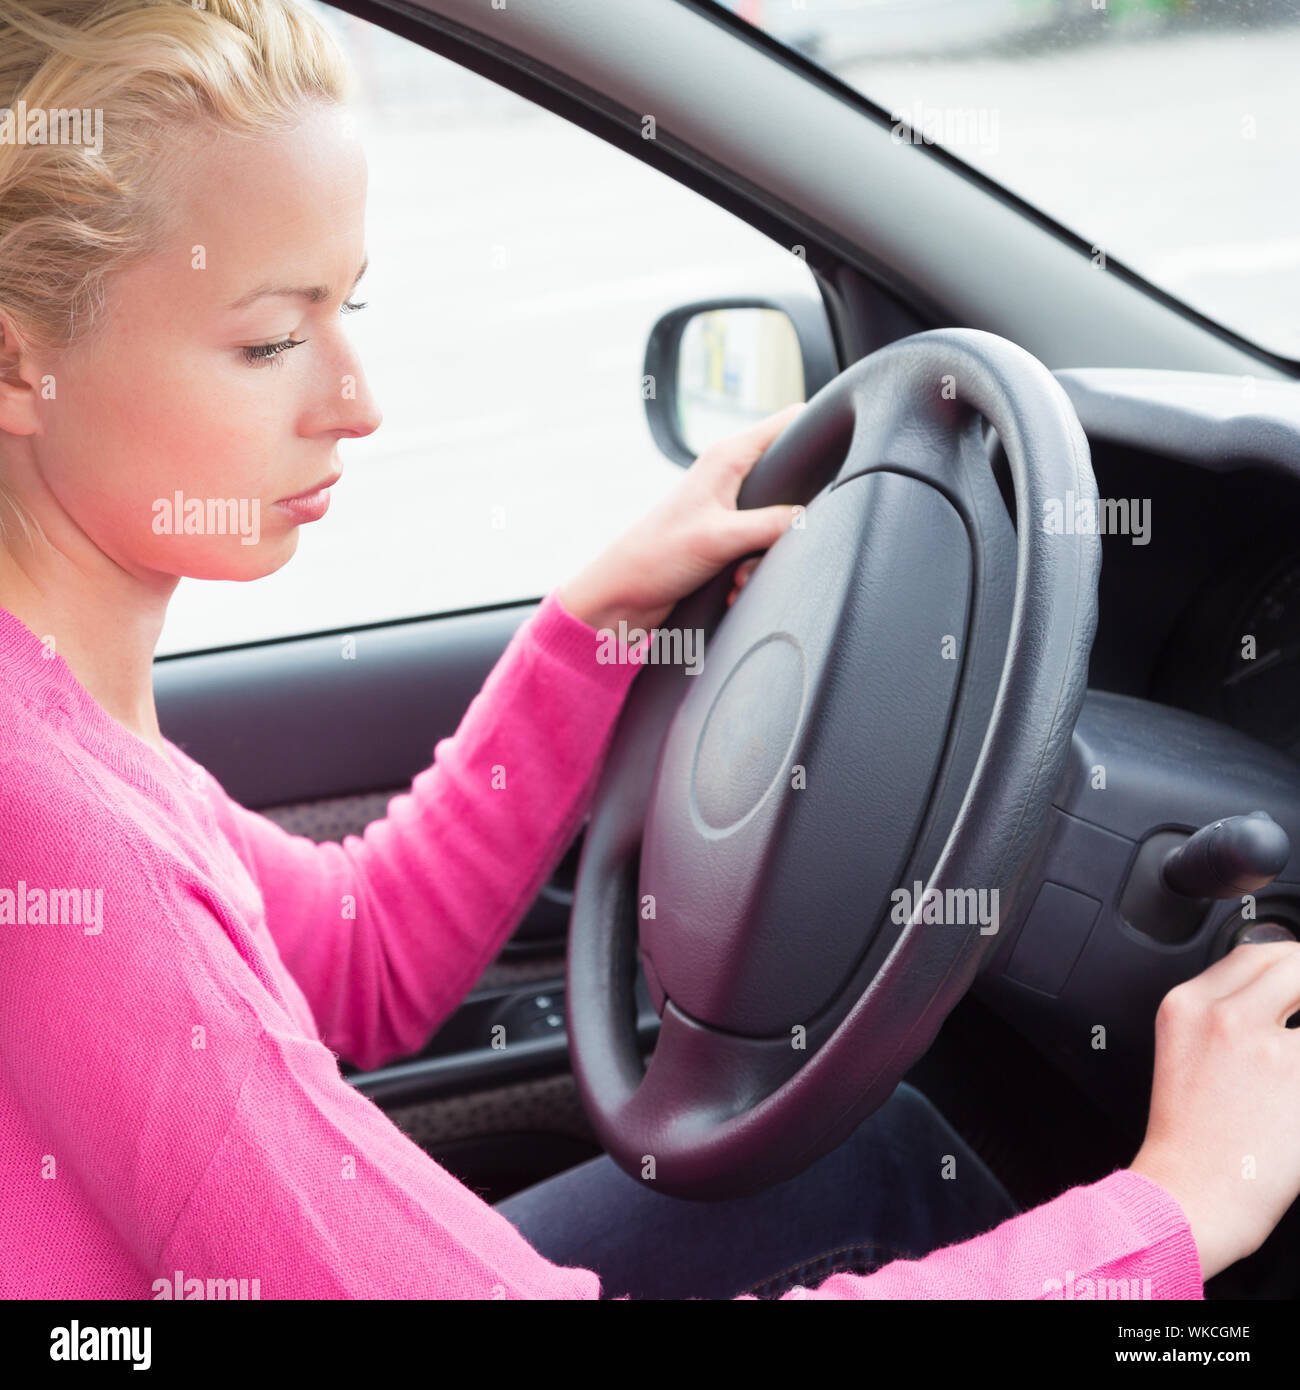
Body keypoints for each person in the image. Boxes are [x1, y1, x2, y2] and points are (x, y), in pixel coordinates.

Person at [0, 0, 1296, 1302]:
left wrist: (601, 617)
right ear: (18, 361)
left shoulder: (64, 733)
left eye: (351, 307)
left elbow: (355, 957)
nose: (358, 399)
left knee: (886, 1160)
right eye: (272, 336)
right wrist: (1177, 1203)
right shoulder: (60, 844)